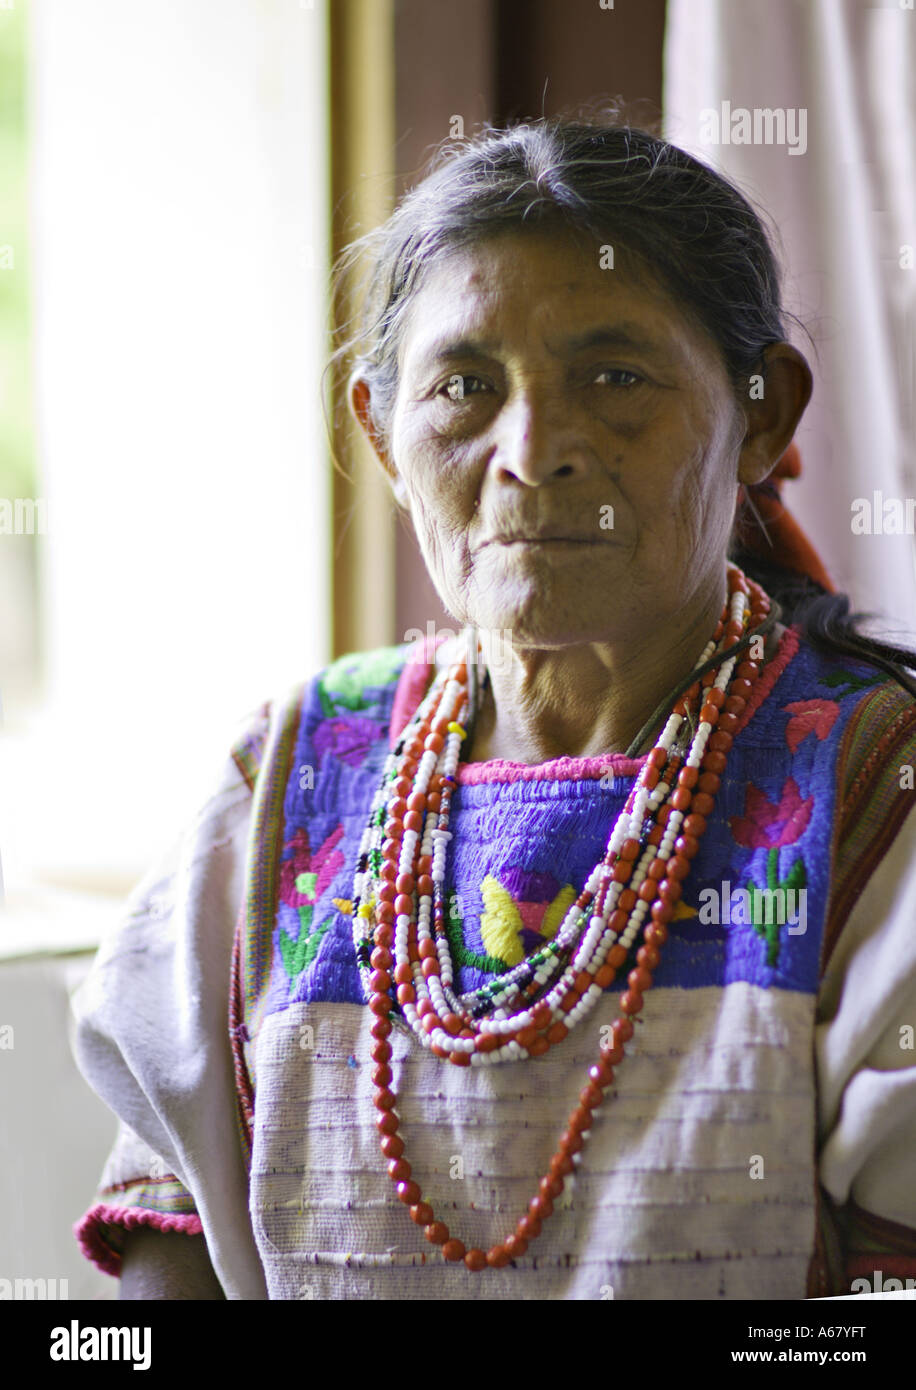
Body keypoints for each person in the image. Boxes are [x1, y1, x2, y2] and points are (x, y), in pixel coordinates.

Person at [71, 116, 916, 1300]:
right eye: (465, 385)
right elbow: (164, 1274)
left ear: (761, 416)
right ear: (378, 427)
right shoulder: (285, 783)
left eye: (614, 377)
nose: (533, 450)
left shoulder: (874, 786)